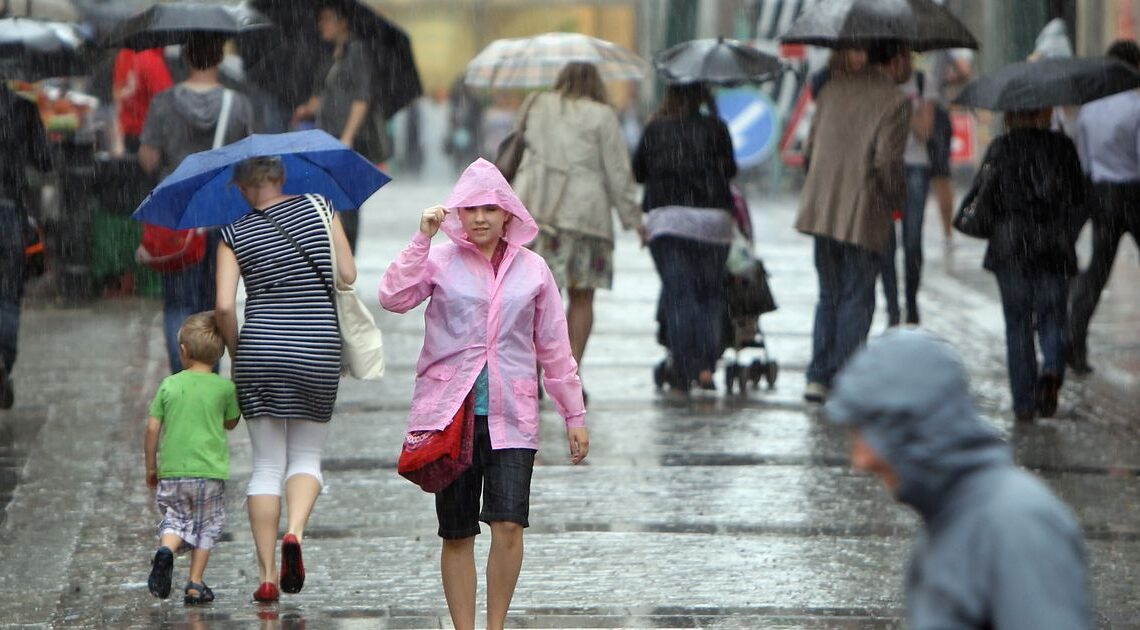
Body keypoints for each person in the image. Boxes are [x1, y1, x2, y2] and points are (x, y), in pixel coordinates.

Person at [379, 159, 588, 630]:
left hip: (513, 416)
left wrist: (574, 415)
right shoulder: (439, 260)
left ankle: (495, 626)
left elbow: (554, 346)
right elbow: (392, 296)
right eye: (469, 208)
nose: (479, 218)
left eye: (490, 209)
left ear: (508, 214)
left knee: (509, 524)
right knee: (457, 532)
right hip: (450, 415)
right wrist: (421, 239)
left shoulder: (534, 270)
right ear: (457, 213)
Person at [826, 328, 1092, 630]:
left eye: (866, 433)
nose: (860, 460)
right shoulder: (949, 522)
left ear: (912, 425)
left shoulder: (1016, 524)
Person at [215, 157, 357, 602]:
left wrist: (239, 357)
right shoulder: (321, 207)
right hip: (317, 348)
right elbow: (348, 275)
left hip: (260, 351)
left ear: (241, 184)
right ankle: (294, 533)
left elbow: (223, 307)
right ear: (282, 176)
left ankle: (267, 574)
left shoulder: (233, 232)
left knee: (265, 467)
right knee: (306, 459)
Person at [794, 40, 911, 403]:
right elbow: (887, 163)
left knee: (828, 294)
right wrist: (897, 198)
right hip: (864, 211)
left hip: (824, 209)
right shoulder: (894, 101)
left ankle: (818, 376)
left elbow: (809, 150)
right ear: (891, 60)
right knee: (857, 297)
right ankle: (844, 377)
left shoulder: (830, 90)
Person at [513, 62, 641, 391]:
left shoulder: (537, 105)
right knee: (582, 299)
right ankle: (568, 376)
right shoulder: (603, 115)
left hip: (543, 215)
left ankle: (534, 375)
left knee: (540, 299)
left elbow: (521, 148)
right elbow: (617, 172)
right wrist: (634, 219)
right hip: (588, 219)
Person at [139, 33, 255, 374]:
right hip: (225, 217)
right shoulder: (239, 104)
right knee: (215, 303)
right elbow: (251, 164)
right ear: (219, 58)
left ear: (186, 59)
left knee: (178, 303)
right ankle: (208, 378)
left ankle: (183, 379)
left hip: (179, 217)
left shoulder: (163, 103)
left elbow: (147, 159)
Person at [966, 108, 1084, 421]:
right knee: (1053, 317)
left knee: (1018, 325)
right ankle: (1052, 369)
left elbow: (984, 198)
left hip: (1010, 248)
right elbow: (1079, 197)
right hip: (1054, 246)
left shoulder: (1002, 148)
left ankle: (1024, 403)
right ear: (1046, 112)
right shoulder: (1063, 147)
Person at [632, 83, 736, 393]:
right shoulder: (716, 128)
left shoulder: (656, 129)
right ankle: (705, 367)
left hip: (669, 221)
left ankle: (682, 366)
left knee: (680, 295)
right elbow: (730, 170)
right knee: (710, 293)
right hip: (713, 223)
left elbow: (638, 172)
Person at [144, 312, 240, 604]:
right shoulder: (224, 388)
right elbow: (231, 422)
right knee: (205, 526)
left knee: (176, 520)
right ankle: (195, 582)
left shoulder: (169, 385)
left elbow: (151, 429)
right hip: (209, 472)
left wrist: (151, 465)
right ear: (218, 354)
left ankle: (166, 551)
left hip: (173, 471)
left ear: (183, 351)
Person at [1067, 40, 1140, 375]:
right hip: (1135, 194)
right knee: (1097, 270)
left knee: (1097, 272)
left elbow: (1083, 161)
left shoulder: (1090, 108)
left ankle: (1076, 344)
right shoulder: (1136, 105)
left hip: (1102, 196)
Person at [292, 3, 382, 250]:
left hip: (344, 138)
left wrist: (348, 136)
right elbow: (329, 95)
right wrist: (307, 109)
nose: (322, 24)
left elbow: (361, 98)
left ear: (343, 22)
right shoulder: (334, 55)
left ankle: (347, 255)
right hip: (329, 135)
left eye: (327, 18)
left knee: (345, 199)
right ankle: (335, 252)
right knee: (330, 196)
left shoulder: (357, 52)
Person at [0, 83, 53, 410]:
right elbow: (45, 161)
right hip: (8, 212)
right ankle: (4, 358)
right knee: (7, 297)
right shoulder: (22, 107)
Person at [880, 57, 936, 326]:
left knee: (912, 241)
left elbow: (925, 131)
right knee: (885, 242)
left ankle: (911, 301)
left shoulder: (923, 83)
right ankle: (892, 307)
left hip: (915, 167)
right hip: (885, 167)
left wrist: (903, 103)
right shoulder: (877, 84)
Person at [926, 48, 972, 247]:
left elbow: (964, 71)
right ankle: (947, 233)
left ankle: (945, 232)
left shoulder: (905, 41)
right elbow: (963, 72)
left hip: (918, 109)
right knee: (940, 176)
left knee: (932, 175)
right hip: (934, 110)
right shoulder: (941, 46)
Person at [112, 48, 172, 155]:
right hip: (148, 139)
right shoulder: (150, 59)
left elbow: (117, 95)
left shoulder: (125, 54)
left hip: (132, 135)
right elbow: (168, 101)